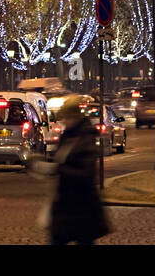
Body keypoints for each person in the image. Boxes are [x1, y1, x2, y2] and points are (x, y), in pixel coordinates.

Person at [46, 95, 110, 245]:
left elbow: (86, 173)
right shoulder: (67, 136)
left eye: (66, 118)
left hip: (82, 207)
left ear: (74, 117)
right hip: (65, 206)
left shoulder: (85, 138)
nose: (64, 122)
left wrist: (58, 169)